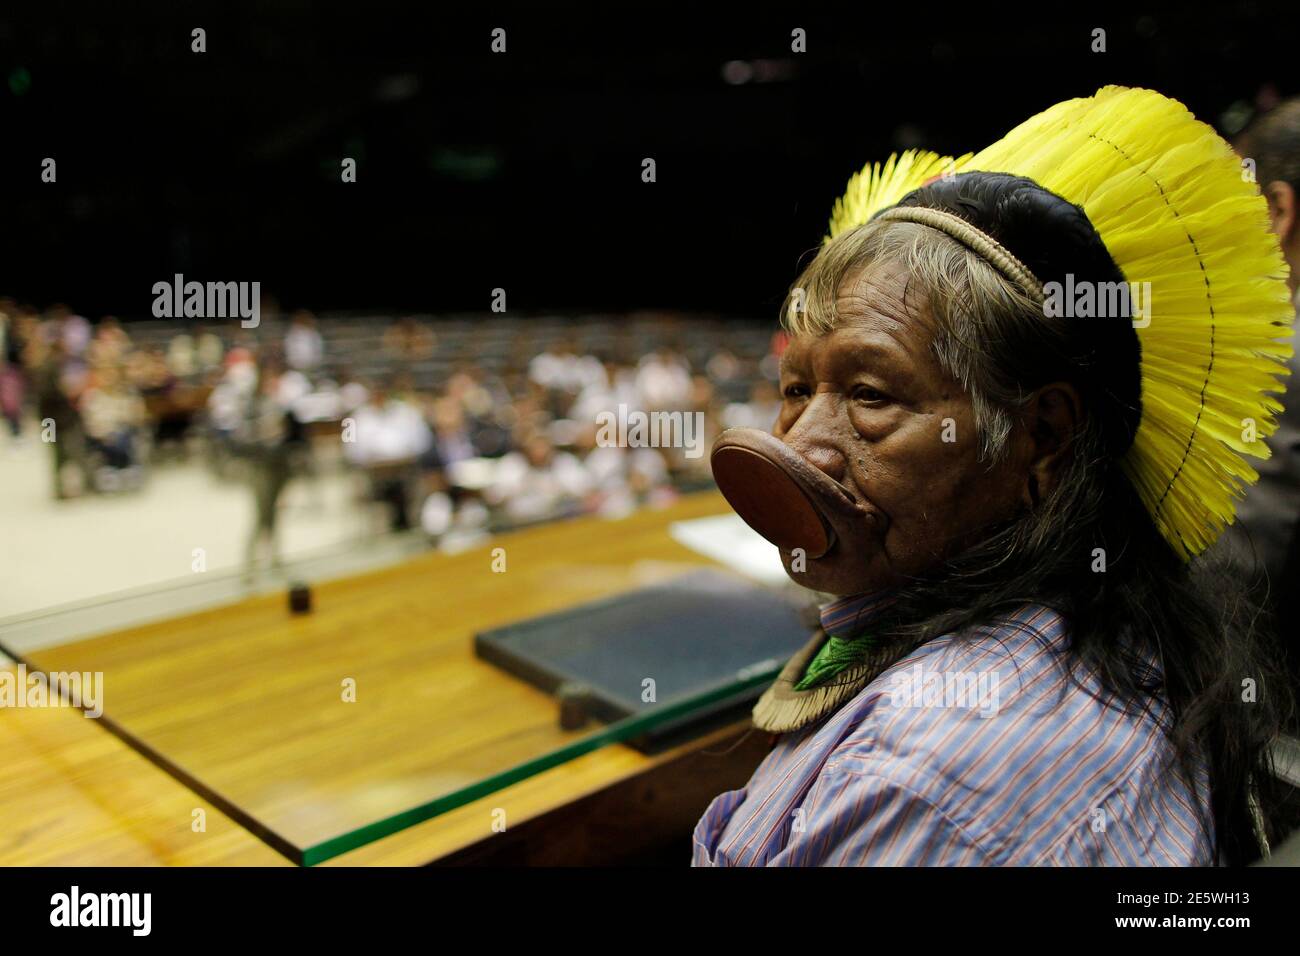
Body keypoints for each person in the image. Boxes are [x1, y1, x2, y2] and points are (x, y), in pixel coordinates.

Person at [697, 87, 1295, 867]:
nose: (802, 443)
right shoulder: (1105, 616)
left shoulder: (924, 777)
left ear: (1042, 437)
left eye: (871, 396)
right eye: (797, 390)